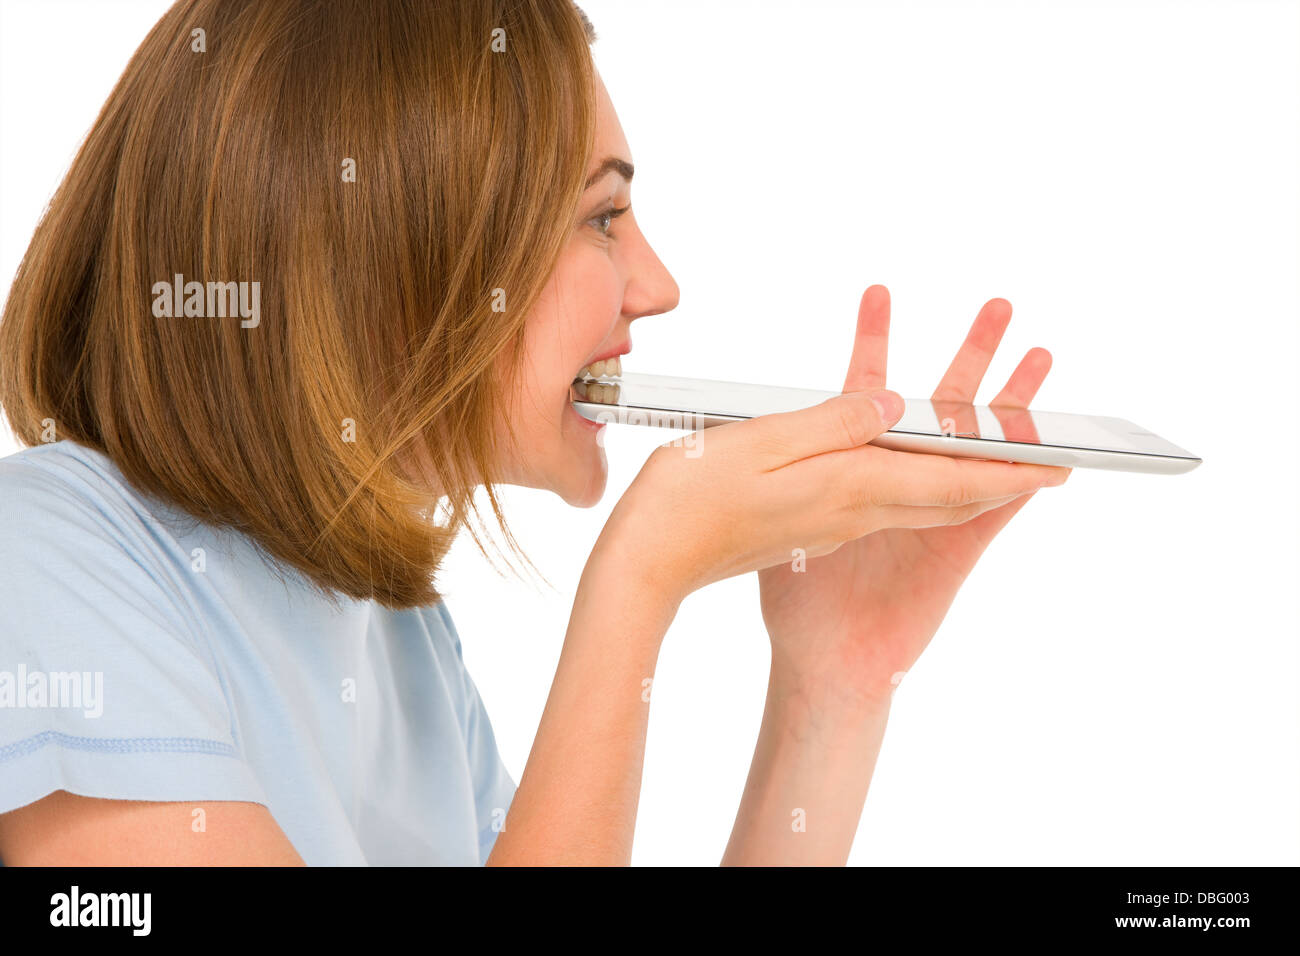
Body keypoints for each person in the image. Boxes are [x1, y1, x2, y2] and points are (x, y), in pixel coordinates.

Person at [0, 0, 1067, 865]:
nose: (657, 285)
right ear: (389, 257)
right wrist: (638, 581)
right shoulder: (45, 562)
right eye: (602, 217)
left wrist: (831, 682)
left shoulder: (402, 643)